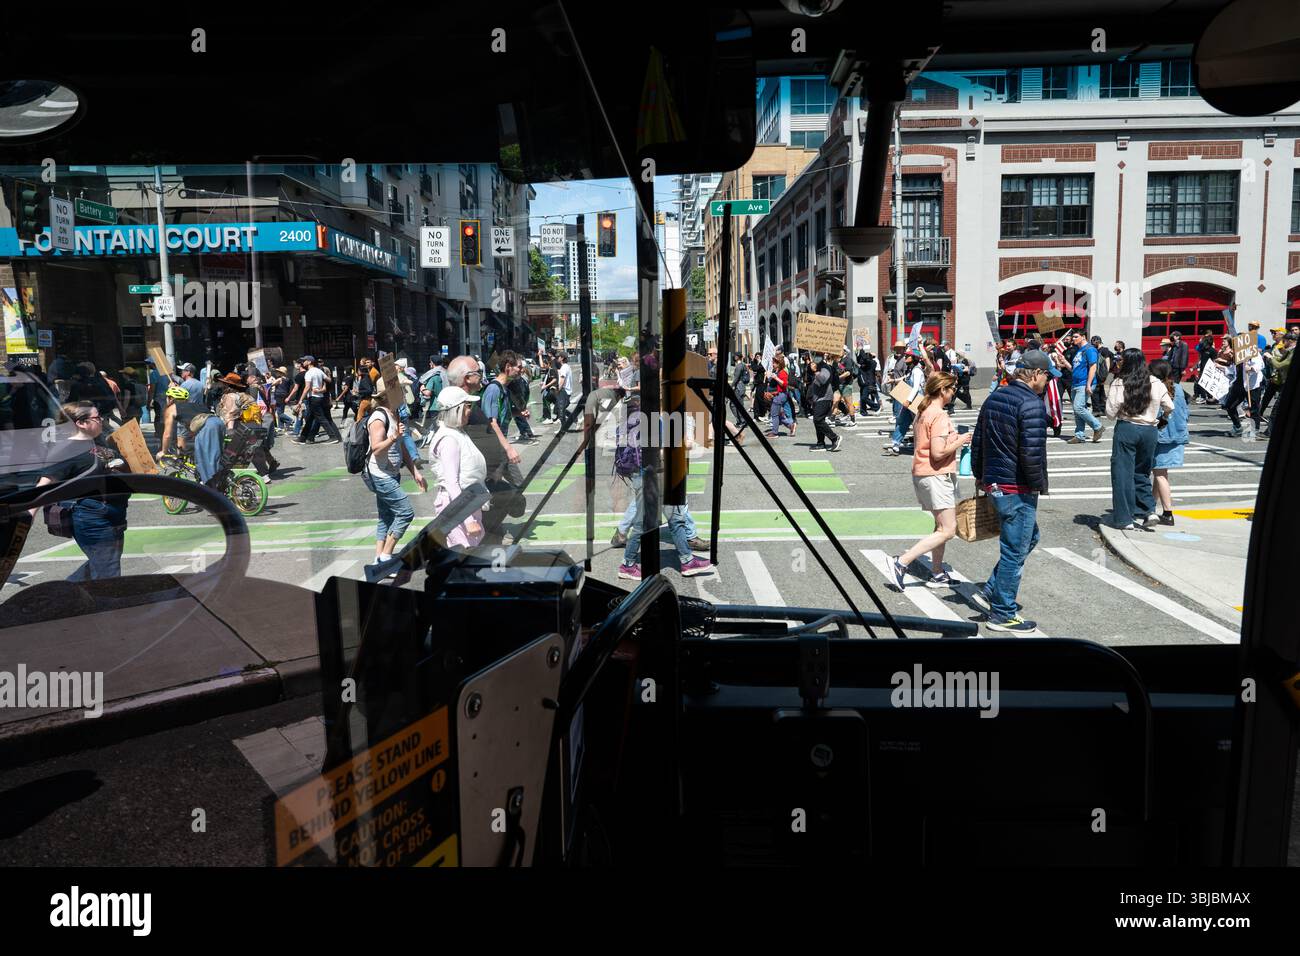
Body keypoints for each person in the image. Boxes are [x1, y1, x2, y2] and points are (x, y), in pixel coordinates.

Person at [968, 349, 1051, 634]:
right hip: (1017, 487)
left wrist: (980, 475)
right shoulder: (1031, 404)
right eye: (1047, 375)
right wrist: (1038, 484)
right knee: (1015, 551)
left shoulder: (996, 396)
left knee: (1029, 538)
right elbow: (1031, 453)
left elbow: (978, 440)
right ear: (1037, 374)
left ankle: (992, 590)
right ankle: (1002, 612)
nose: (1047, 381)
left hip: (996, 483)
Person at [887, 373, 972, 590]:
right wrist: (960, 440)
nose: (954, 392)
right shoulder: (939, 415)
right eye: (952, 389)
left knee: (940, 525)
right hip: (936, 475)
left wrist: (952, 439)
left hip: (924, 474)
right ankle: (901, 562)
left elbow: (930, 445)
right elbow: (937, 452)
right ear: (943, 390)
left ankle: (936, 572)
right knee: (948, 529)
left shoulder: (923, 411)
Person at [30, 401, 132, 581]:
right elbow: (44, 484)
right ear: (80, 423)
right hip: (91, 516)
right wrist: (28, 515)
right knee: (107, 570)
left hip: (114, 513)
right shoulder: (65, 450)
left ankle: (64, 593)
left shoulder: (100, 442)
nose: (101, 420)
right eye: (96, 417)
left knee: (103, 562)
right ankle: (109, 606)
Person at [1105, 348, 1174, 530]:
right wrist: (1162, 418)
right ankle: (1148, 510)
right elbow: (1169, 406)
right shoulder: (1155, 381)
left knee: (1122, 474)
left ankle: (1124, 519)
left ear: (1125, 362)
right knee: (1142, 472)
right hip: (1149, 430)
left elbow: (1110, 413)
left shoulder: (1120, 382)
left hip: (1127, 428)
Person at [360, 387, 427, 569]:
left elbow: (402, 448)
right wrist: (393, 437)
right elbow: (376, 448)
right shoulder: (378, 417)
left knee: (386, 516)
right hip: (380, 474)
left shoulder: (394, 413)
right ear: (389, 397)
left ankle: (378, 558)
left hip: (392, 472)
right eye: (401, 393)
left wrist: (415, 473)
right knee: (405, 512)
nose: (404, 396)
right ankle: (385, 557)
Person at [426, 386, 486, 550]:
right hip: (456, 508)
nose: (470, 411)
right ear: (456, 409)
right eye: (467, 406)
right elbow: (452, 483)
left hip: (466, 504)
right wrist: (469, 521)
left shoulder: (456, 433)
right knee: (464, 557)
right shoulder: (448, 439)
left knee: (469, 558)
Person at [1149, 359, 1189, 527]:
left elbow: (1154, 414)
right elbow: (1185, 412)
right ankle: (1150, 507)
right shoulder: (1178, 388)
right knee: (1160, 473)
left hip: (1162, 435)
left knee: (1160, 474)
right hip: (1177, 434)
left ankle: (1168, 513)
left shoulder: (1157, 388)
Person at [1065, 329, 1105, 444]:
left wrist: (1088, 384)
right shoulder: (1079, 350)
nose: (1073, 339)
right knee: (1077, 410)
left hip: (1084, 384)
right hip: (1076, 383)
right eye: (1073, 337)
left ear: (1083, 337)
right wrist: (1063, 361)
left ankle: (1097, 426)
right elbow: (1074, 369)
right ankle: (1079, 435)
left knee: (1079, 407)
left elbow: (1093, 367)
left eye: (1076, 337)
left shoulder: (1090, 349)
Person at [883, 350, 925, 457]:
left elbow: (916, 388)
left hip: (916, 400)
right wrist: (893, 381)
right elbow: (904, 378)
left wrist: (908, 400)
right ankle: (895, 445)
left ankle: (922, 446)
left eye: (908, 356)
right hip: (910, 399)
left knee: (918, 425)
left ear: (913, 358)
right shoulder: (911, 370)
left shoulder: (917, 371)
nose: (905, 358)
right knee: (902, 422)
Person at [295, 355, 342, 445]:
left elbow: (307, 387)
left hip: (313, 398)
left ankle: (333, 437)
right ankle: (303, 438)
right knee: (309, 419)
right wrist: (322, 387)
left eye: (304, 361)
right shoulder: (319, 371)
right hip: (320, 397)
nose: (303, 362)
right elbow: (329, 380)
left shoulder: (309, 373)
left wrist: (300, 400)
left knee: (321, 418)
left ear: (309, 362)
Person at [809, 355, 842, 452]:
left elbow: (823, 380)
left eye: (817, 354)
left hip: (824, 398)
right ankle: (820, 443)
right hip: (818, 398)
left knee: (818, 419)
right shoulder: (820, 367)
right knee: (818, 421)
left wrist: (816, 371)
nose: (815, 356)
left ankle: (835, 438)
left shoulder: (825, 367)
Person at [765, 352, 794, 437]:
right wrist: (768, 376)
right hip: (778, 395)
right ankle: (790, 425)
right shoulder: (777, 371)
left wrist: (776, 378)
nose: (772, 364)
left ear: (779, 363)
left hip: (780, 395)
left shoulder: (782, 372)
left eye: (774, 363)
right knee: (778, 414)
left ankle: (774, 432)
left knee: (774, 414)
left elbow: (784, 384)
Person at [1193, 331, 1218, 404]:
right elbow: (1196, 348)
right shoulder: (1202, 349)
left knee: (1209, 384)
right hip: (1202, 368)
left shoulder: (1212, 351)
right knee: (1201, 383)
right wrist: (1201, 341)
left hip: (1209, 370)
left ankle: (1210, 397)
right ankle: (1204, 397)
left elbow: (1214, 360)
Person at [1166, 331, 1189, 397]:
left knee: (1175, 383)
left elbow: (1184, 357)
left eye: (1173, 336)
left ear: (1178, 337)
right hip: (1171, 366)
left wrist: (1182, 369)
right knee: (1170, 382)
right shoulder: (1174, 345)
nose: (1171, 337)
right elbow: (1170, 356)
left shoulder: (1184, 345)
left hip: (1178, 368)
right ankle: (1174, 395)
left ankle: (1185, 396)